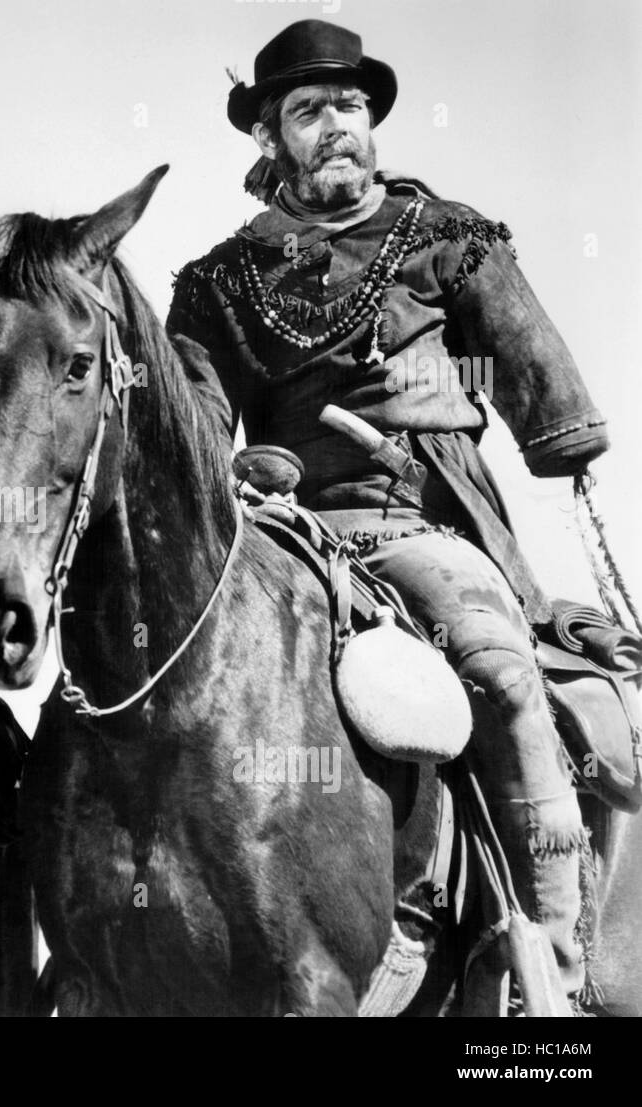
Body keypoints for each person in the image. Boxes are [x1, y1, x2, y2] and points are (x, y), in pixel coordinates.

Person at [166, 18, 609, 1002]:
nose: (335, 127)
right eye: (308, 110)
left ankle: (550, 968)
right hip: (285, 533)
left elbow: (537, 379)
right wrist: (237, 470)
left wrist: (563, 438)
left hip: (420, 529)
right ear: (269, 137)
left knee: (498, 675)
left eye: (350, 107)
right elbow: (196, 432)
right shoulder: (219, 282)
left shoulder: (448, 238)